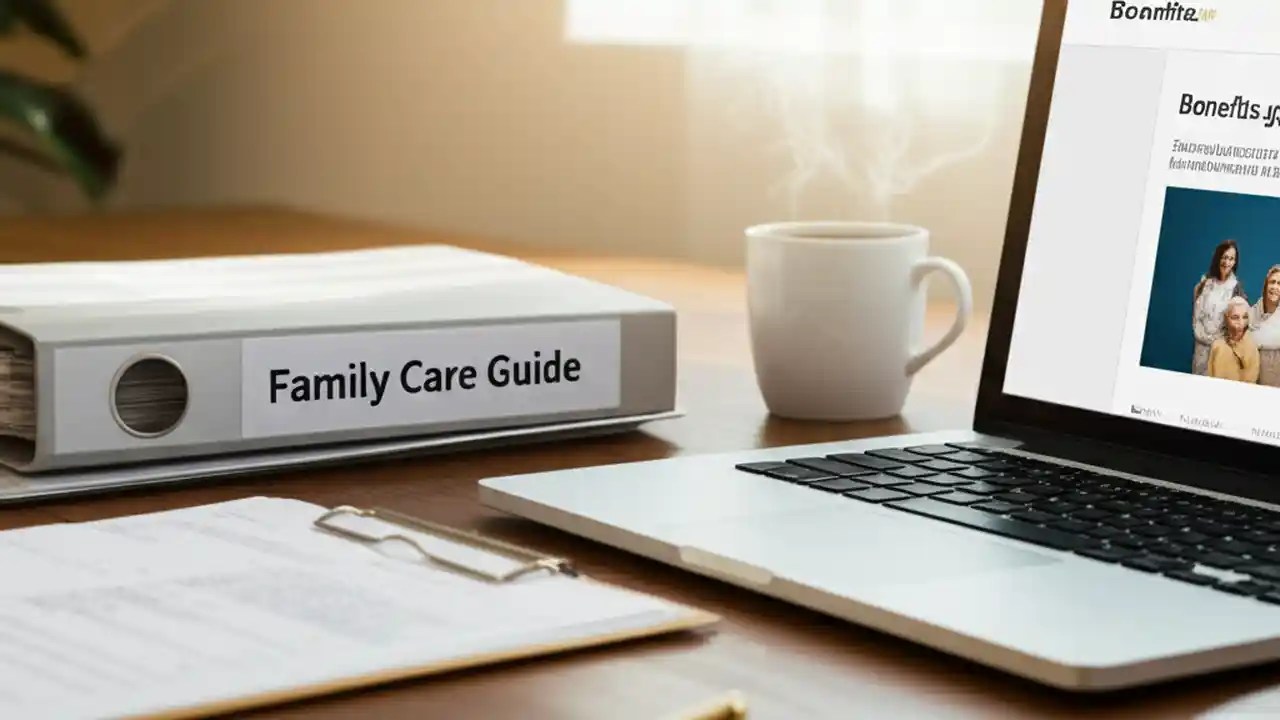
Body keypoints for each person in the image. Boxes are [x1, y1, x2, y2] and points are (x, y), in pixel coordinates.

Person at [1193, 239, 1246, 375]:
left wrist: (1220, 341)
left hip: (1222, 349)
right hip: (1200, 348)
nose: (1227, 262)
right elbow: (1196, 316)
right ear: (1218, 258)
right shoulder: (1205, 283)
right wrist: (1203, 337)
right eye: (1224, 257)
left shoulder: (1236, 288)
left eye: (1231, 259)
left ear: (1235, 262)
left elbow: (1240, 322)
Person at [1208, 296, 1260, 383]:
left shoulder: (1251, 348)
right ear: (1226, 318)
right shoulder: (1217, 346)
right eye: (1235, 317)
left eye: (1245, 317)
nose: (1241, 323)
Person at [1251, 265, 1280, 385]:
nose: (1275, 287)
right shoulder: (1253, 312)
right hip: (1253, 379)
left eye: (1279, 283)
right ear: (1266, 285)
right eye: (1272, 282)